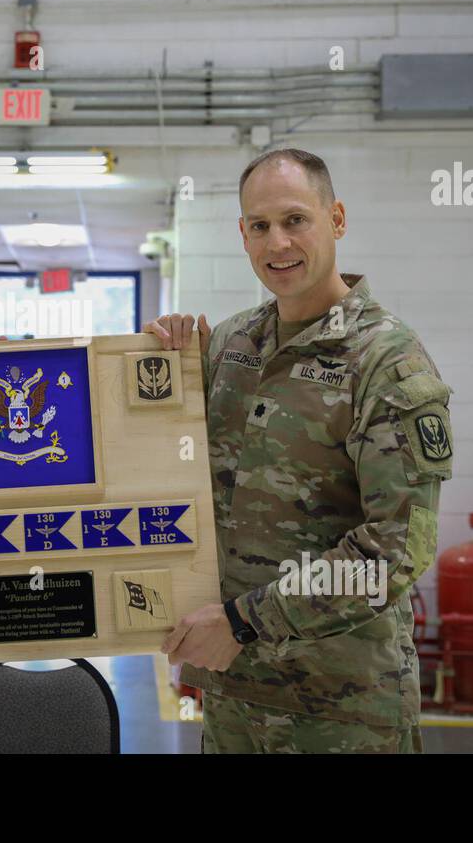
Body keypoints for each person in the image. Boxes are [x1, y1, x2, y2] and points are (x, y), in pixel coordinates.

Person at [148, 148, 453, 753]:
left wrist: (242, 621)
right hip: (236, 699)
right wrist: (161, 363)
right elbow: (157, 466)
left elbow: (397, 548)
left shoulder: (387, 360)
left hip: (343, 708)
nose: (277, 243)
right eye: (259, 226)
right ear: (242, 234)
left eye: (295, 220)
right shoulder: (230, 346)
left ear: (336, 218)